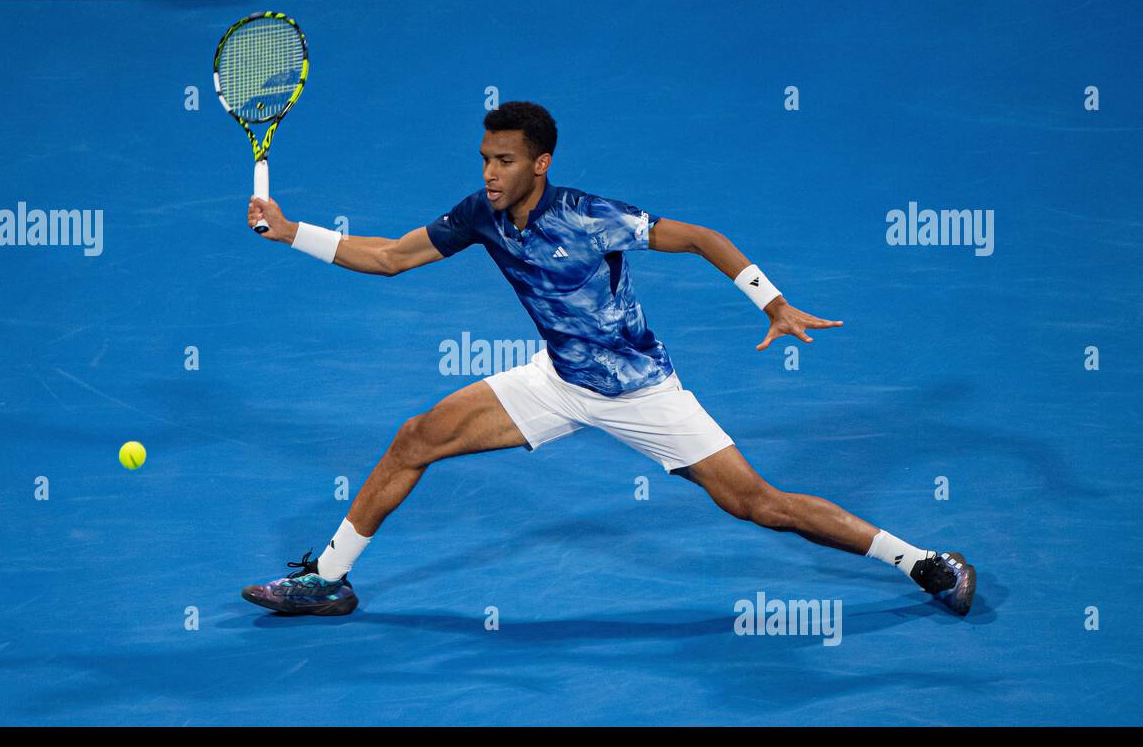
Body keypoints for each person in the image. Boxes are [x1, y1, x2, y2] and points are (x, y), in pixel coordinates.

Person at [240, 101, 977, 618]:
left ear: (541, 163)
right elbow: (394, 257)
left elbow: (701, 237)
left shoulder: (593, 217)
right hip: (557, 381)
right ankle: (328, 581)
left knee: (760, 504)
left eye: (504, 161)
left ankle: (919, 559)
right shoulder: (479, 215)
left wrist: (772, 301)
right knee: (415, 437)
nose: (490, 174)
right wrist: (292, 231)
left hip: (641, 391)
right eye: (485, 160)